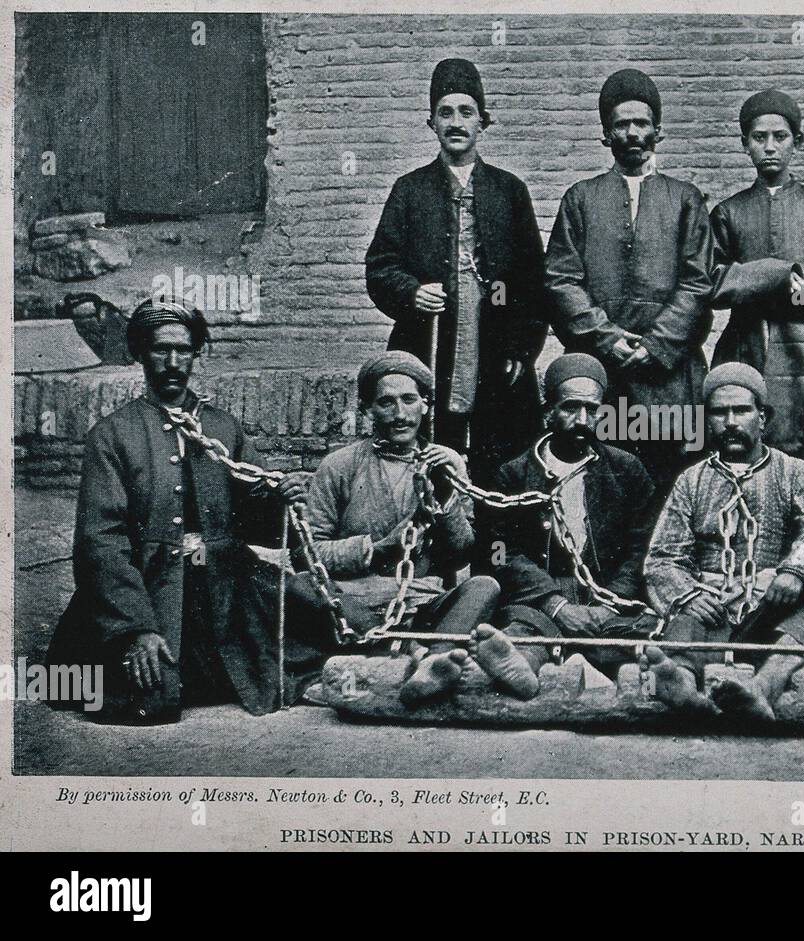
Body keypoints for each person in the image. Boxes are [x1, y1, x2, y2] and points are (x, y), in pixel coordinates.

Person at [44, 299, 334, 724]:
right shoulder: (112, 435)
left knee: (317, 635)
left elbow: (259, 527)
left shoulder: (222, 428)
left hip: (225, 586)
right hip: (149, 586)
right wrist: (136, 627)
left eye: (184, 350)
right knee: (148, 698)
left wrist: (279, 499)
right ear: (142, 353)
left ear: (196, 354)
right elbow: (100, 543)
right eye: (161, 349)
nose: (173, 362)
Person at [366, 58, 548, 485]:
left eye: (467, 112)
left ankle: (493, 544)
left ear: (483, 121)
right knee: (425, 455)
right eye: (445, 112)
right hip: (429, 341)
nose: (456, 122)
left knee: (499, 457)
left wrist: (522, 349)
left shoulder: (509, 190)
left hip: (494, 345)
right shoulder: (410, 191)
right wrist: (411, 292)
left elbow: (532, 282)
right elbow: (380, 267)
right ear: (430, 122)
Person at [642, 363, 804, 721]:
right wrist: (691, 595)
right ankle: (684, 689)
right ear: (708, 421)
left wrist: (795, 573)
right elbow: (663, 556)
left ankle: (762, 688)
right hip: (714, 608)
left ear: (762, 417)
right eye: (720, 413)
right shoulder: (691, 480)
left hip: (772, 606)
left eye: (742, 410)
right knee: (687, 622)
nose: (731, 422)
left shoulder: (793, 471)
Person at [545, 68, 714, 492]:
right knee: (604, 479)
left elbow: (697, 282)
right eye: (622, 124)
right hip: (603, 374)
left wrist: (655, 345)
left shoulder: (685, 199)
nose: (633, 133)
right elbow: (561, 279)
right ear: (606, 135)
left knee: (671, 481)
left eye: (641, 123)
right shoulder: (580, 198)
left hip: (670, 376)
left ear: (658, 131)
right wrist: (608, 339)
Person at [303, 351, 502, 705]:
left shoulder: (443, 464)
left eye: (409, 400)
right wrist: (376, 547)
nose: (399, 414)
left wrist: (448, 491)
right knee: (300, 586)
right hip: (355, 605)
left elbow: (460, 554)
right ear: (368, 411)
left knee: (484, 586)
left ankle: (430, 661)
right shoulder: (339, 466)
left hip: (420, 601)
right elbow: (310, 552)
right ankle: (412, 654)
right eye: (386, 403)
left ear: (425, 405)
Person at [472, 353, 660, 698]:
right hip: (541, 598)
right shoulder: (513, 474)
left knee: (640, 631)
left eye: (593, 410)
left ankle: (617, 670)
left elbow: (642, 549)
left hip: (606, 594)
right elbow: (501, 553)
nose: (582, 420)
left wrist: (609, 604)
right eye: (570, 408)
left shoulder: (626, 470)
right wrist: (555, 604)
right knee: (527, 629)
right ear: (548, 411)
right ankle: (522, 667)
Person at [709, 90, 804, 476]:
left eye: (780, 136)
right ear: (745, 144)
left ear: (798, 141)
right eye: (759, 138)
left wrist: (795, 281)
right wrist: (771, 274)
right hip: (750, 343)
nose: (770, 147)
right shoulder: (728, 212)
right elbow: (712, 282)